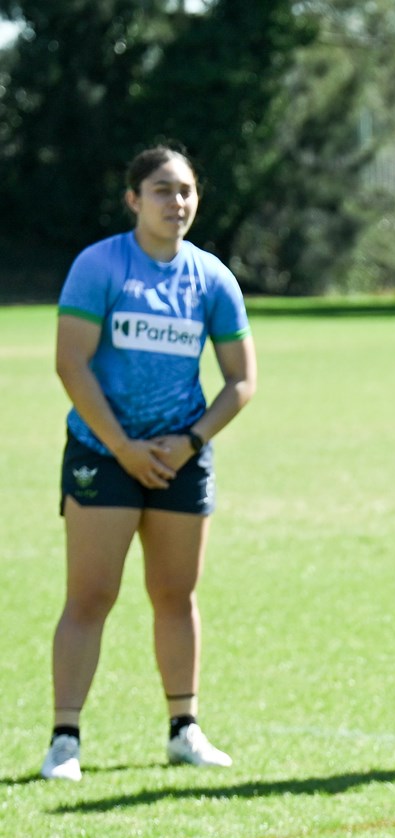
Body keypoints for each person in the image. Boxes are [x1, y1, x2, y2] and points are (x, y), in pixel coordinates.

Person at [40, 145, 257, 782]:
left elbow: (241, 380)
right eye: (162, 190)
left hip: (179, 459)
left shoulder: (212, 277)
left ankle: (183, 728)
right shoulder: (99, 266)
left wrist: (189, 441)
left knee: (175, 594)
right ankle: (64, 739)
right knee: (90, 595)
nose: (177, 202)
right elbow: (71, 362)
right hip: (102, 454)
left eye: (186, 190)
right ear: (133, 198)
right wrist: (123, 447)